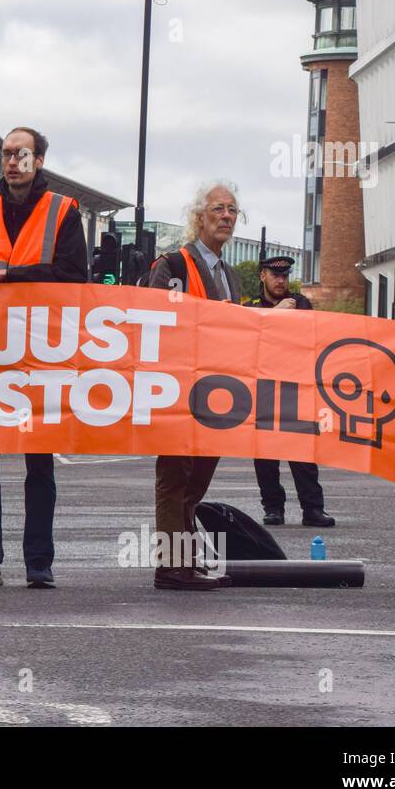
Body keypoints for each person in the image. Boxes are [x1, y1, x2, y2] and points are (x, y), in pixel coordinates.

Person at [0, 126, 88, 589]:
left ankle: (38, 562)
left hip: (43, 351)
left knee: (39, 460)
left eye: (21, 154)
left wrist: (9, 274)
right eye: (6, 154)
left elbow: (73, 277)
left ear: (38, 161)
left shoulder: (63, 211)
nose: (11, 161)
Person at [146, 182, 244, 590]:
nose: (226, 216)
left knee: (196, 479)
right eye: (218, 209)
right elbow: (153, 314)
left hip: (216, 391)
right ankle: (171, 565)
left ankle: (184, 559)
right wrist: (210, 315)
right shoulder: (172, 264)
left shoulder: (231, 276)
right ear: (198, 216)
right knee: (175, 475)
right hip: (176, 387)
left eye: (232, 210)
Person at [244, 256, 335, 528]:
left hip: (297, 386)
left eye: (284, 275)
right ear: (263, 276)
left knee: (304, 454)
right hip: (263, 388)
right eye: (275, 275)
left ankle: (313, 509)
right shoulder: (251, 308)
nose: (281, 280)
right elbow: (249, 339)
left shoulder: (302, 304)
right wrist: (276, 314)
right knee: (265, 456)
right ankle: (273, 508)